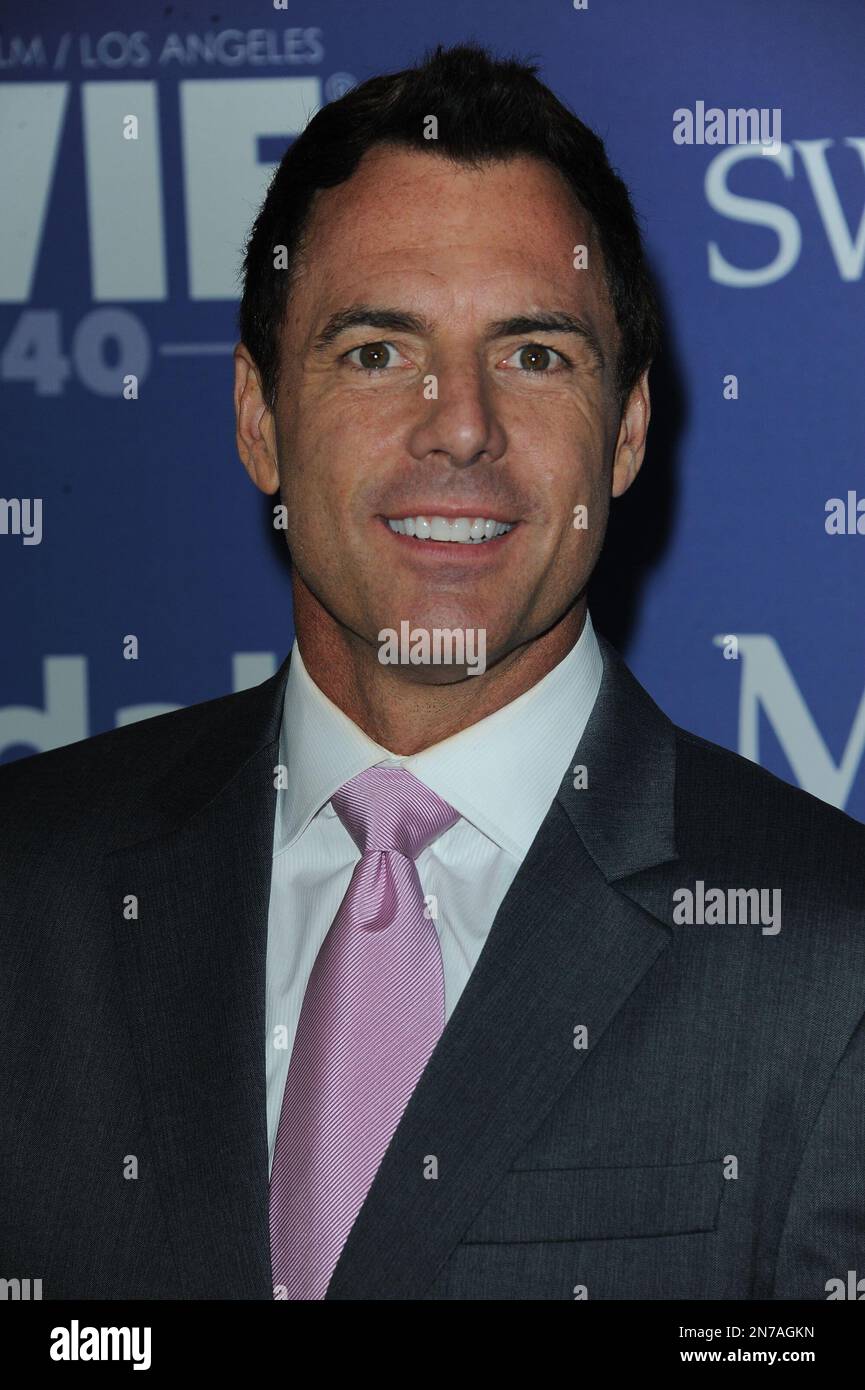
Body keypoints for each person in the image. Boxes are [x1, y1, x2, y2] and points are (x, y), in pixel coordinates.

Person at [2, 42, 864, 1303]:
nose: (459, 422)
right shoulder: (29, 891)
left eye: (532, 353)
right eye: (374, 351)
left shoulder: (830, 962)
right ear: (258, 421)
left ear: (624, 431)